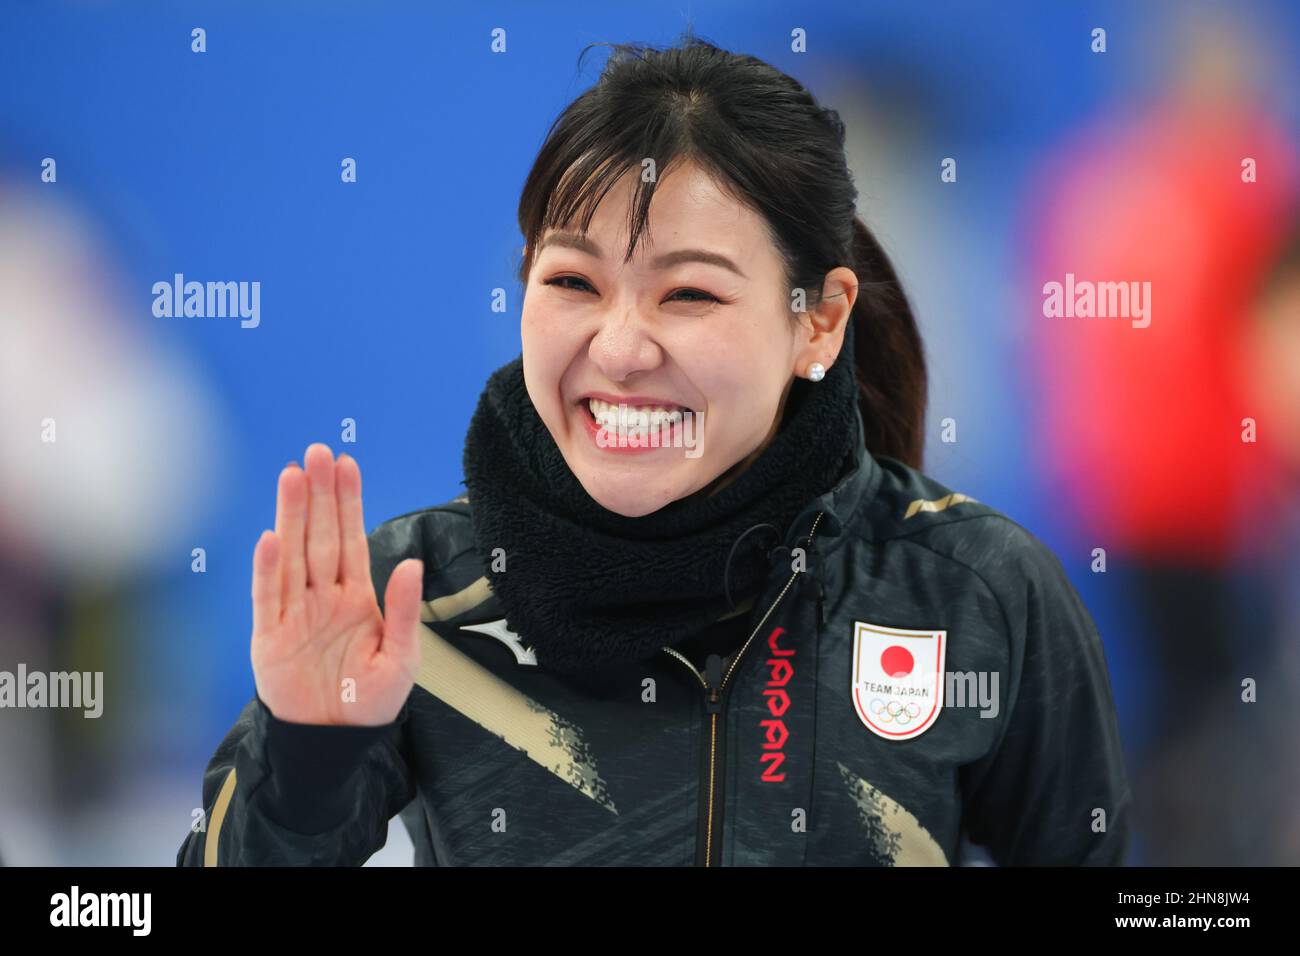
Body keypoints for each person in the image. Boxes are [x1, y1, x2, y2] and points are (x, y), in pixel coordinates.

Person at [176, 36, 1130, 867]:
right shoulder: (414, 601)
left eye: (690, 295)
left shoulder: (973, 592)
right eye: (572, 282)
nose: (621, 348)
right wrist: (306, 757)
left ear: (820, 321)